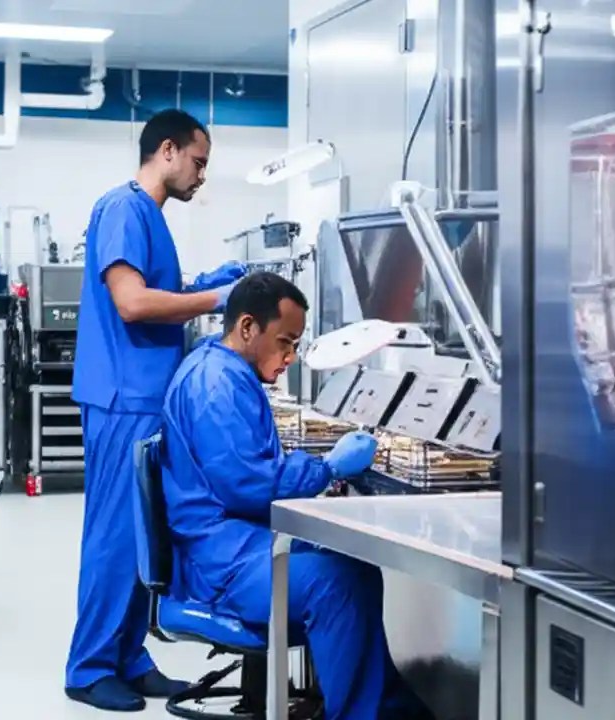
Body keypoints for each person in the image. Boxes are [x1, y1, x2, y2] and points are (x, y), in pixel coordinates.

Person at [160, 272, 433, 720]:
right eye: (284, 342)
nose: (290, 357)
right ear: (247, 327)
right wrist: (325, 468)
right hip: (222, 565)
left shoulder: (226, 370)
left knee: (355, 564)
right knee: (336, 583)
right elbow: (245, 483)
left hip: (239, 542)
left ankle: (387, 709)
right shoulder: (215, 385)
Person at [66, 108, 248, 712]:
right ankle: (89, 667)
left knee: (145, 538)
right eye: (198, 162)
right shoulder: (122, 208)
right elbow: (133, 303)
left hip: (147, 399)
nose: (201, 176)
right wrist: (216, 298)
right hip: (123, 400)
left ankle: (129, 657)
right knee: (116, 536)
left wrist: (204, 280)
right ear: (166, 151)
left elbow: (157, 290)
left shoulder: (151, 218)